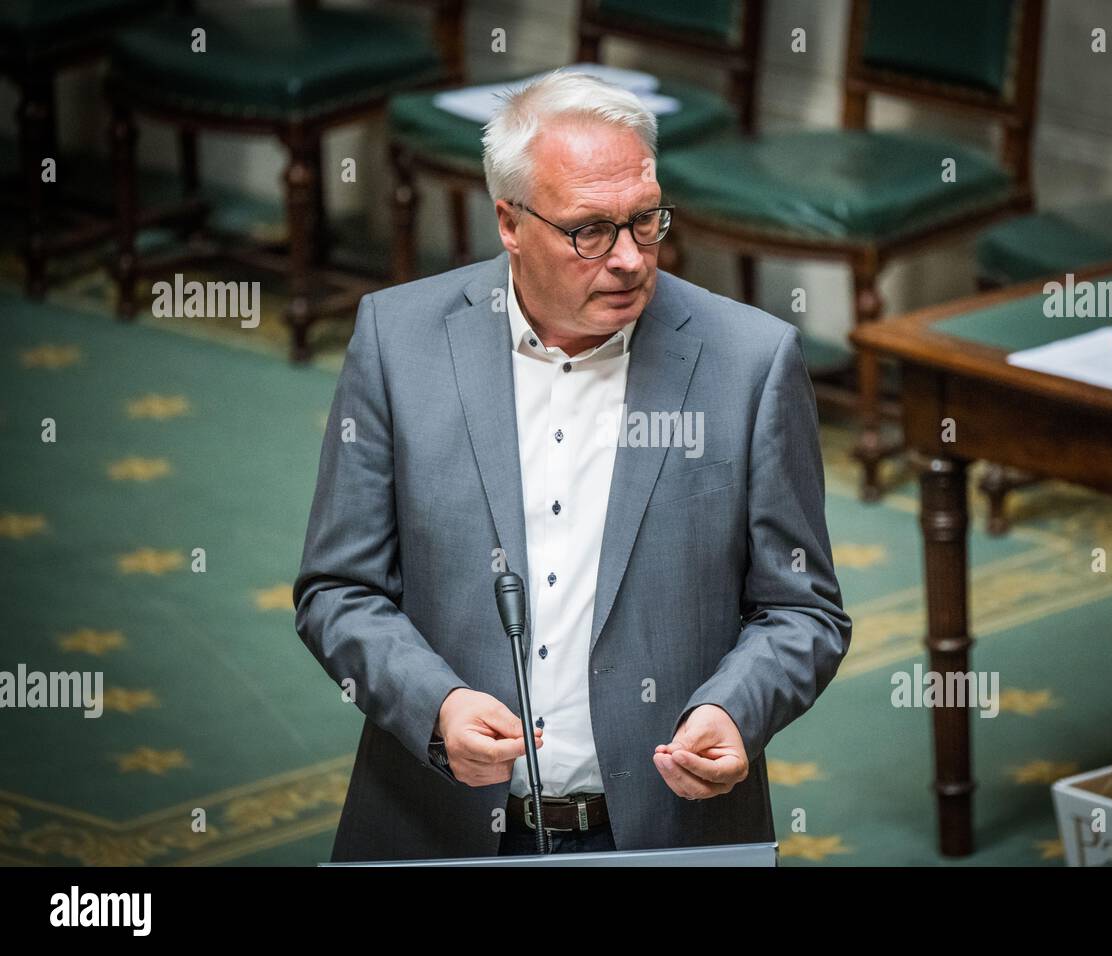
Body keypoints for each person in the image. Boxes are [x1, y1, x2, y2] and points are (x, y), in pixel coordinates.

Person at [293, 70, 851, 861]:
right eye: (589, 230)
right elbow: (337, 590)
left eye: (645, 222)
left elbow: (804, 611)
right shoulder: (398, 342)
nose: (628, 259)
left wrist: (735, 710)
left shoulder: (751, 364)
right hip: (436, 823)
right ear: (510, 223)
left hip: (665, 832)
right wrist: (437, 705)